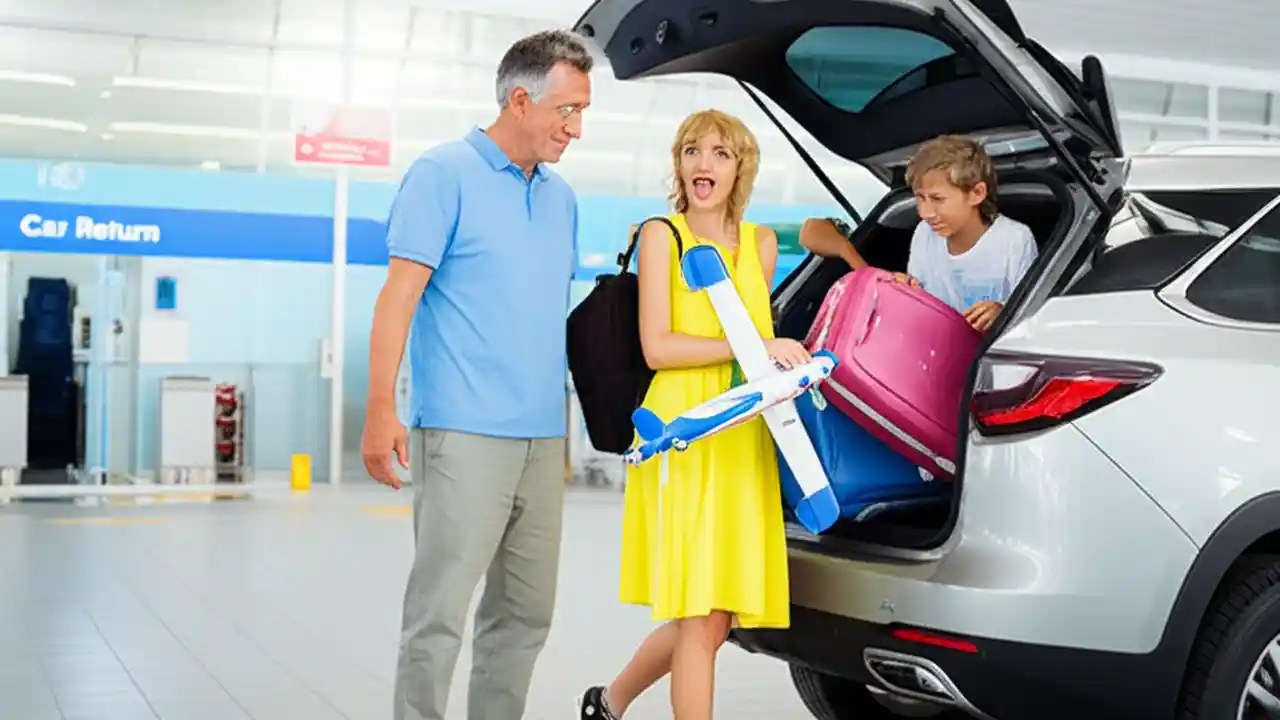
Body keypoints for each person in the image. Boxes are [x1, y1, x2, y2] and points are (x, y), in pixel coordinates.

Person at [360, 29, 593, 720]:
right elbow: (397, 296)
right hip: (461, 434)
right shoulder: (442, 174)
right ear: (521, 100)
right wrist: (380, 407)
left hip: (542, 439)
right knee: (438, 617)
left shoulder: (561, 198)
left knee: (524, 617)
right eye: (568, 111)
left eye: (582, 112)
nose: (577, 129)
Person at [576, 109, 810, 720]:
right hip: (681, 429)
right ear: (679, 164)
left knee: (714, 616)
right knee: (701, 611)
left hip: (742, 433)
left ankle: (608, 702)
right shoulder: (664, 234)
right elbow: (659, 347)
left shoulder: (760, 243)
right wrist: (753, 347)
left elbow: (760, 344)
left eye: (720, 153)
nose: (703, 164)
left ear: (742, 167)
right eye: (691, 151)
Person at [799, 135, 1038, 332]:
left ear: (976, 193)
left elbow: (1032, 316)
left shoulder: (1015, 240)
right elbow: (921, 305)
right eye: (920, 198)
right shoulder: (925, 233)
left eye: (937, 199)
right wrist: (905, 289)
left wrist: (1002, 311)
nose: (925, 212)